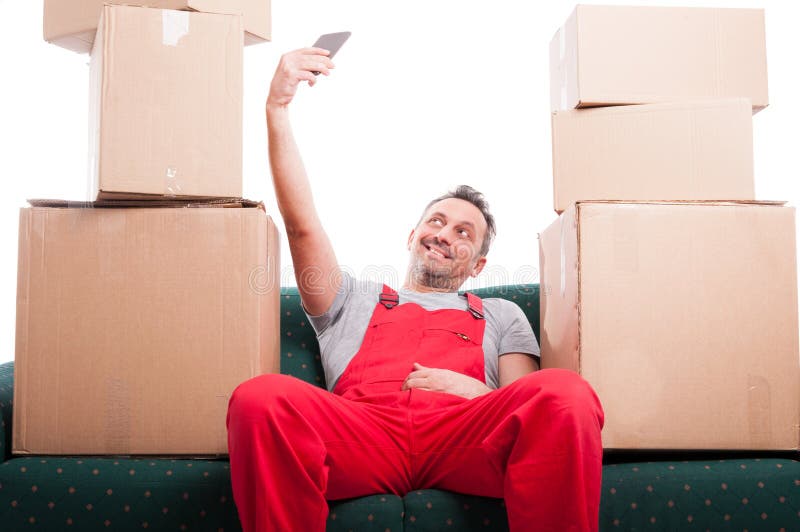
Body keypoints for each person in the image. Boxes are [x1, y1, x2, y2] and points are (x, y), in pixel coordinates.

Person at [226, 47, 604, 532]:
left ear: (478, 264)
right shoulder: (350, 299)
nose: (444, 235)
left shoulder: (502, 312)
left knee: (565, 393)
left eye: (464, 232)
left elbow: (525, 402)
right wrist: (276, 108)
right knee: (259, 399)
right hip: (361, 437)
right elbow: (302, 226)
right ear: (412, 236)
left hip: (465, 439)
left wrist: (474, 391)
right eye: (437, 221)